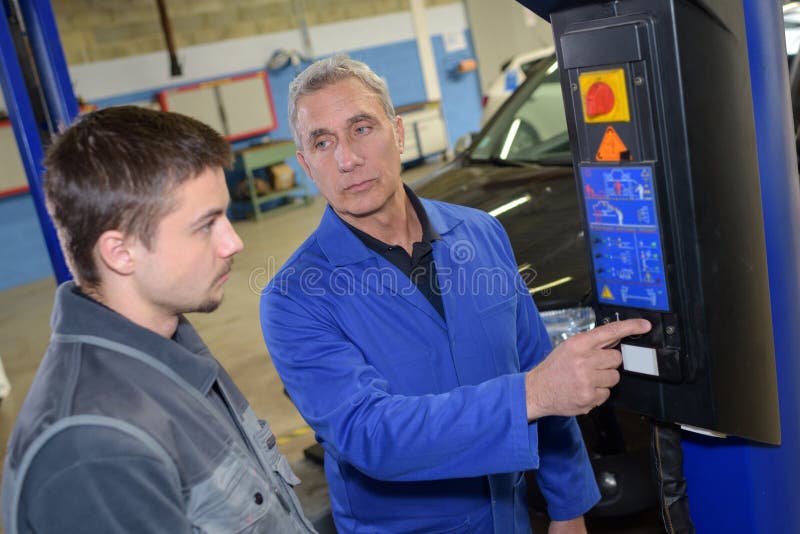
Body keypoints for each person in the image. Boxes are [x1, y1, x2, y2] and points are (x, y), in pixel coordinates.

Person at [260, 55, 650, 533]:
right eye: (323, 142)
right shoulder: (295, 298)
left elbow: (539, 366)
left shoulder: (481, 233)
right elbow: (371, 435)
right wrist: (533, 393)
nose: (347, 159)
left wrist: (568, 506)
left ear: (399, 133)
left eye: (362, 128)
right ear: (306, 165)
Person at [2, 106, 316, 534]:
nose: (234, 242)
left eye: (226, 216)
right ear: (120, 252)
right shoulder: (93, 450)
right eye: (207, 225)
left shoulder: (171, 346)